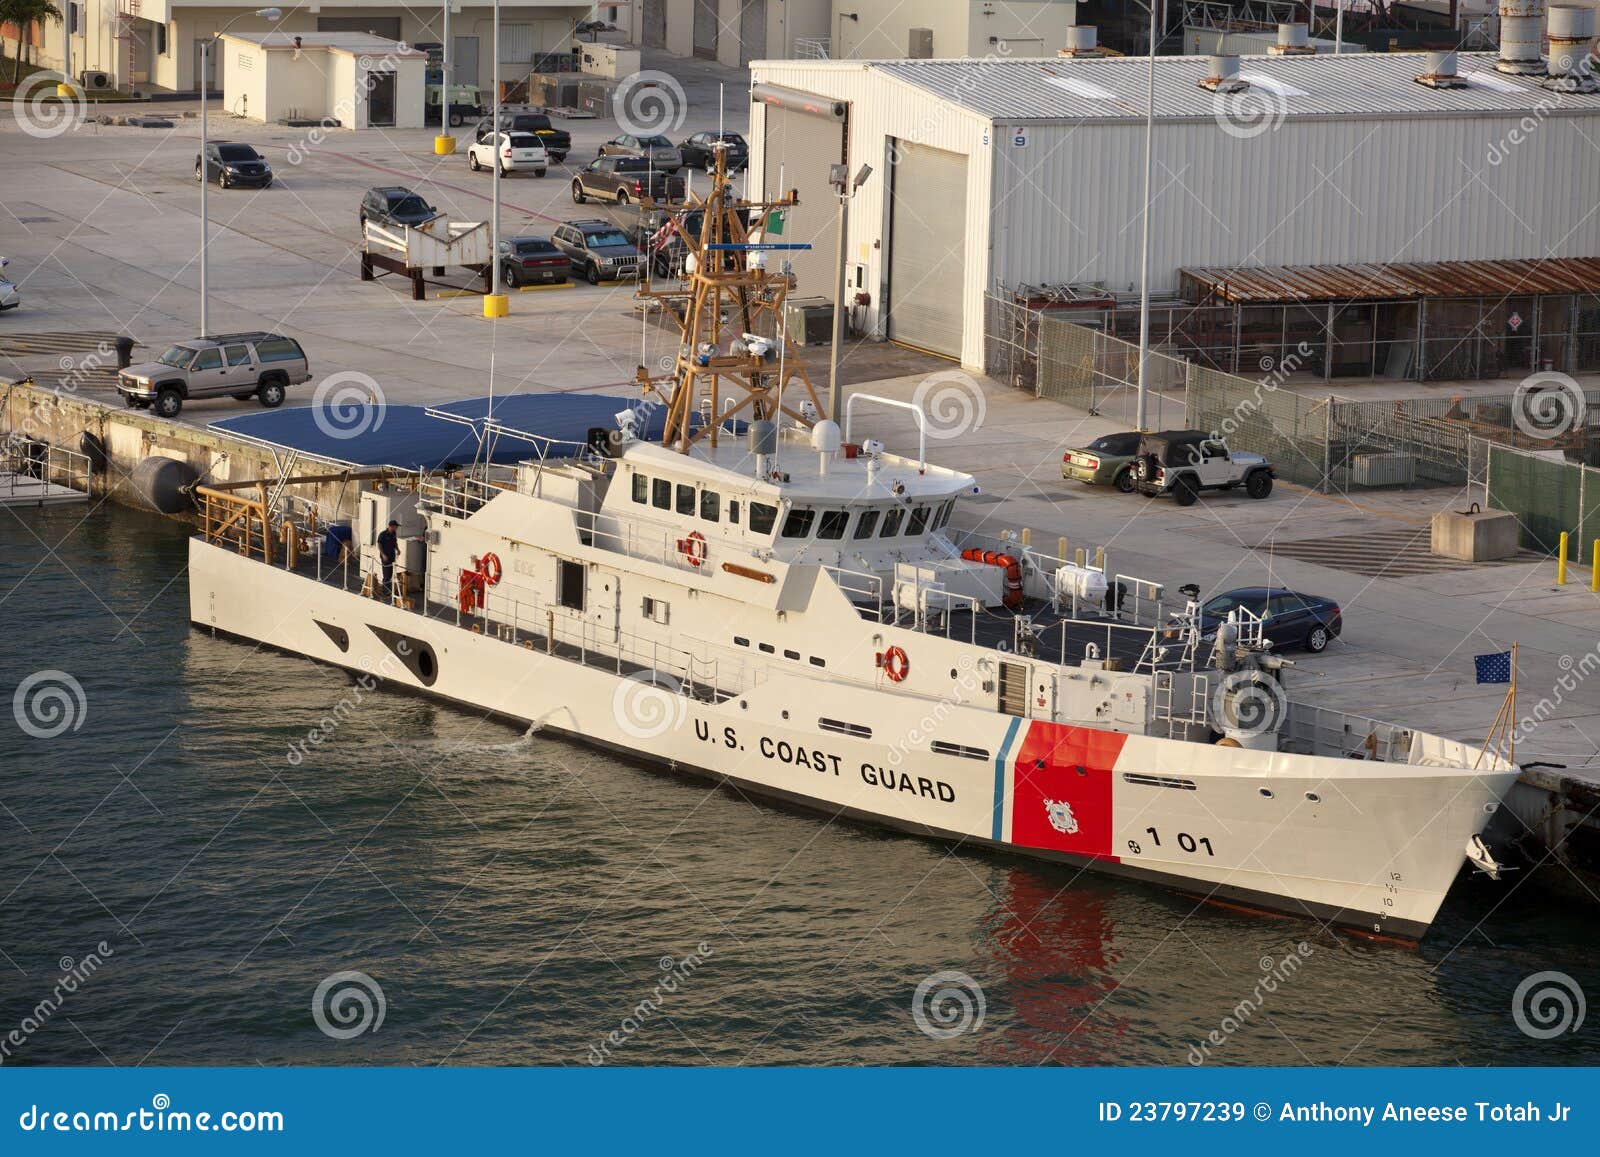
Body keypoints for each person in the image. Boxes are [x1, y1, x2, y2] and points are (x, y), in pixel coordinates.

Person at [376, 520, 399, 590]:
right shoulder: (383, 534)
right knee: (386, 574)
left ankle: (388, 589)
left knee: (390, 574)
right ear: (391, 526)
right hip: (385, 556)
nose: (396, 528)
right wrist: (383, 555)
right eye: (396, 527)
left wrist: (397, 549)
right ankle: (384, 590)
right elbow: (379, 545)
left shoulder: (394, 533)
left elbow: (395, 542)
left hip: (392, 556)